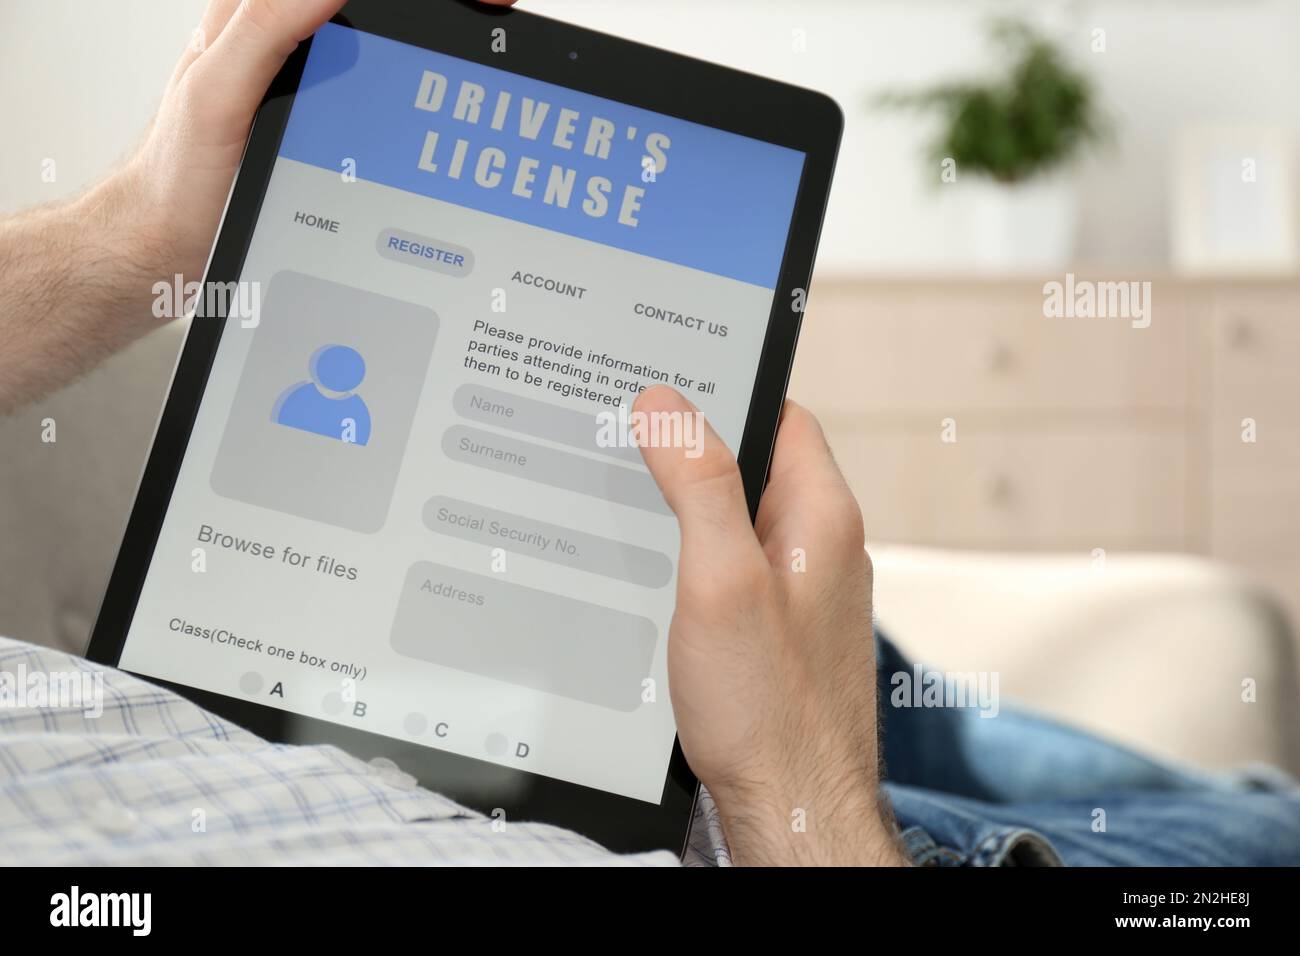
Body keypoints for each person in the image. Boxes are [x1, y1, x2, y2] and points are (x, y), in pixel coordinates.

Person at [1, 0, 1297, 867]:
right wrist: (810, 809)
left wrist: (130, 240)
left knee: (930, 697)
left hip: (656, 684)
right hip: (774, 822)